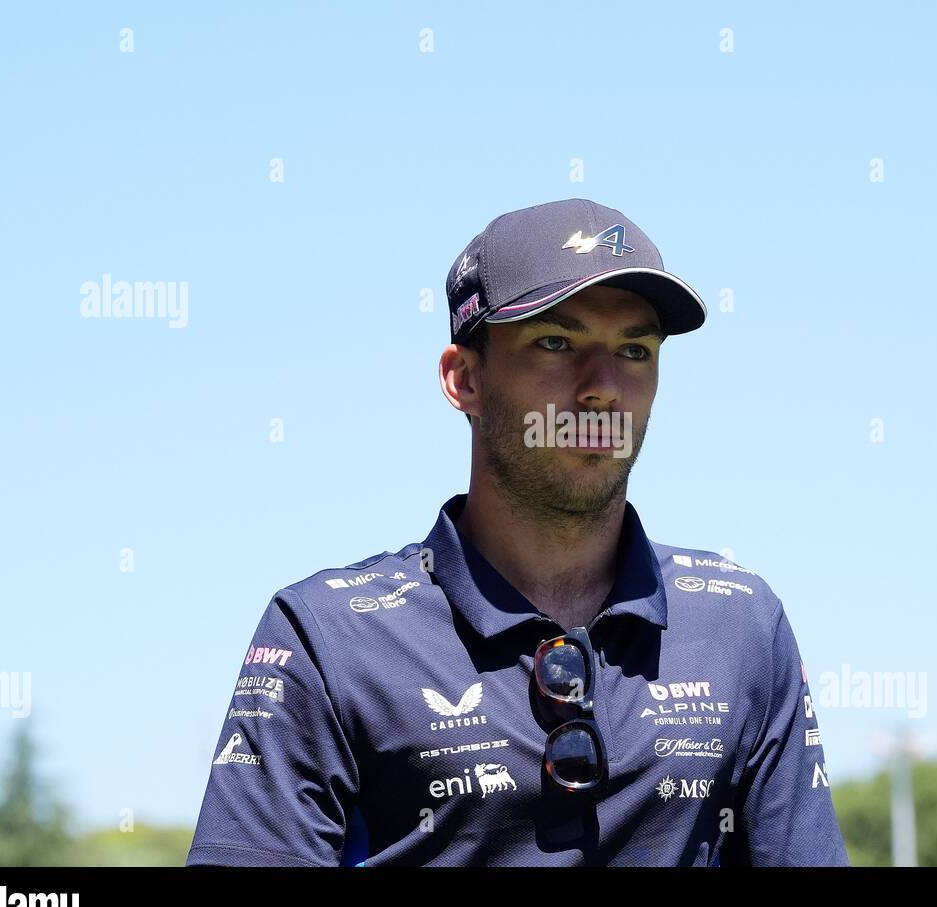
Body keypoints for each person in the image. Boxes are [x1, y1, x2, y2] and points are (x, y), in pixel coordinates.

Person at [187, 198, 851, 866]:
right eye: (556, 343)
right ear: (464, 378)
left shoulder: (739, 625)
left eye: (634, 349)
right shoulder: (329, 635)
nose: (601, 389)